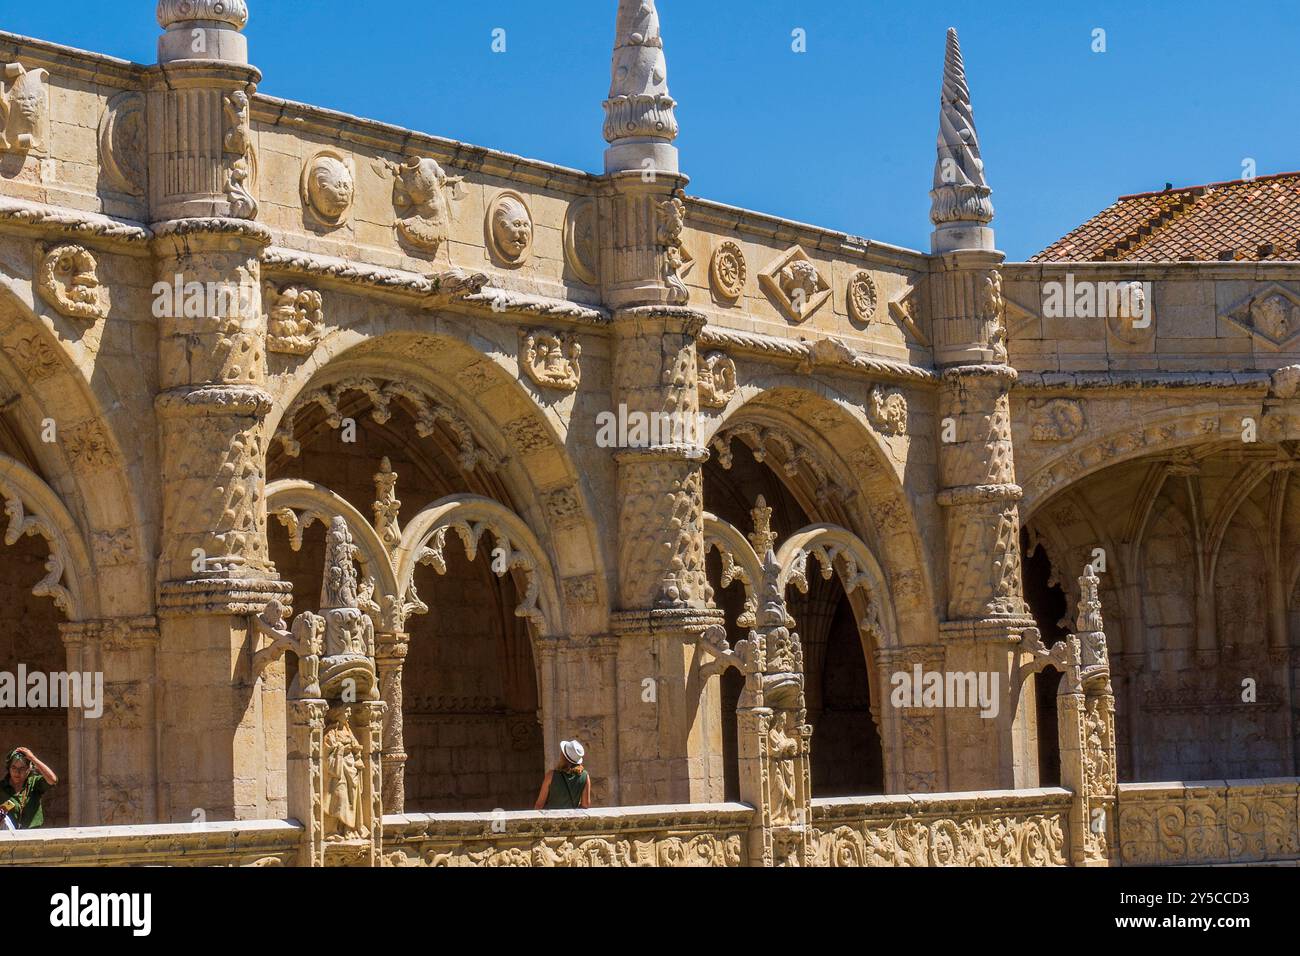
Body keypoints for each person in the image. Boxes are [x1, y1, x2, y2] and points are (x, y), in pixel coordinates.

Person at [0, 747, 57, 830]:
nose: (17, 772)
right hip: (8, 835)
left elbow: (52, 780)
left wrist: (32, 758)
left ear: (29, 769)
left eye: (22, 768)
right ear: (9, 768)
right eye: (13, 768)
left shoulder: (35, 783)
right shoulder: (1, 787)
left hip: (32, 834)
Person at [533, 739, 591, 810]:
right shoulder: (585, 776)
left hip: (552, 819)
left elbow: (539, 805)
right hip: (572, 819)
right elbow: (585, 805)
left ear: (563, 756)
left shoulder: (551, 775)